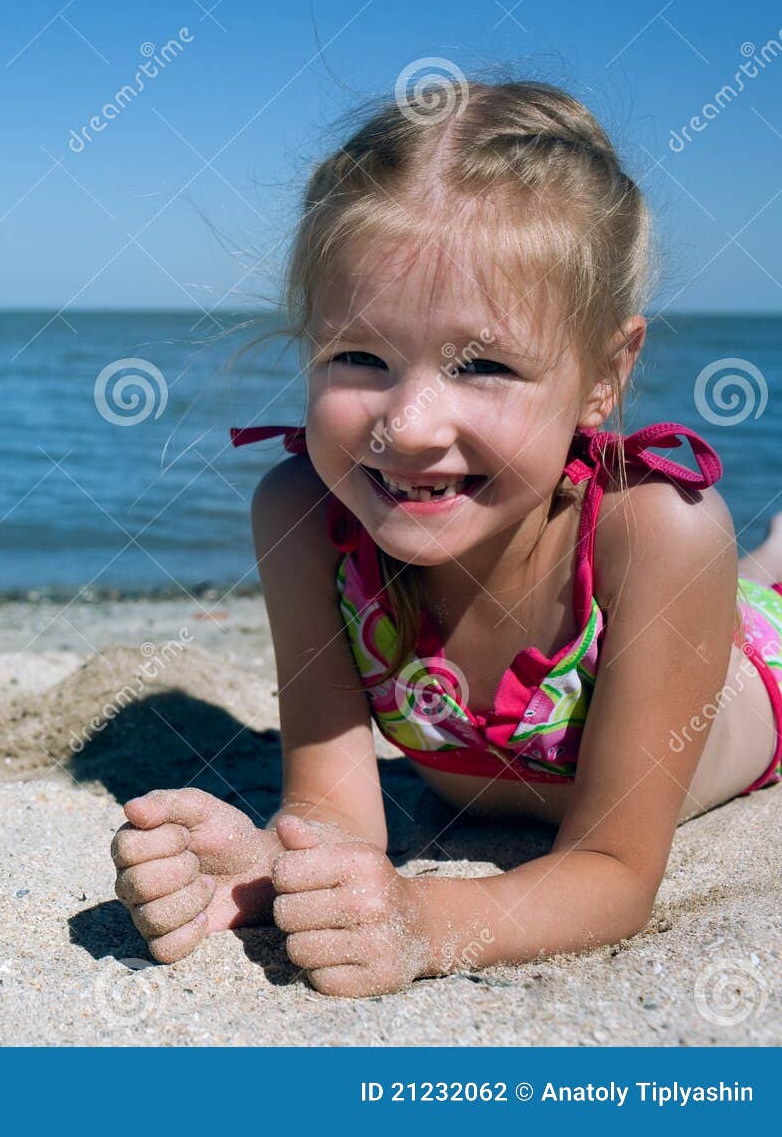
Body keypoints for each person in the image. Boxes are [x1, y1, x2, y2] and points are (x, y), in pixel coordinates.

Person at [109, 79, 782, 997]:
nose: (412, 424)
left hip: (753, 679)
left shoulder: (661, 529)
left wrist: (424, 923)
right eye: (359, 356)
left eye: (485, 365)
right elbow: (331, 812)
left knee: (756, 596)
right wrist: (273, 866)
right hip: (682, 628)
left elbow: (616, 872)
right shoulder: (303, 518)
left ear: (604, 375)